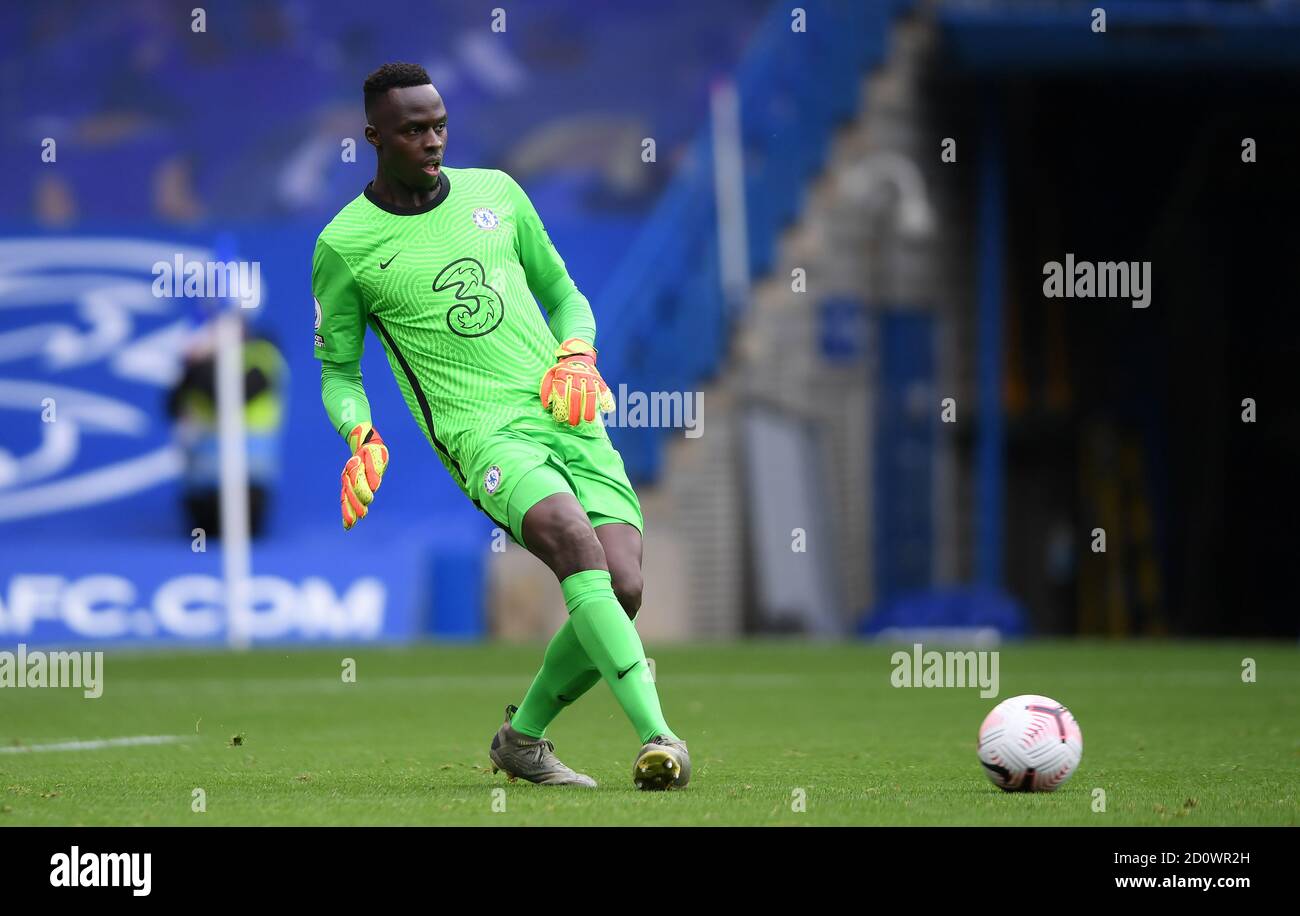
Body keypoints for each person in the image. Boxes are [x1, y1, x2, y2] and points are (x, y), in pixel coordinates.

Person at [312, 62, 688, 790]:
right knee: (576, 547)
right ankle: (659, 735)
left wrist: (577, 351)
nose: (432, 140)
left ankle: (521, 739)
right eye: (413, 130)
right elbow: (339, 373)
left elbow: (565, 294)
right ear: (373, 138)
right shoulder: (344, 245)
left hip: (568, 415)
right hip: (484, 436)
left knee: (625, 586)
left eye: (440, 124)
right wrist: (360, 434)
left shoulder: (499, 195)